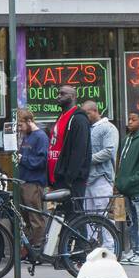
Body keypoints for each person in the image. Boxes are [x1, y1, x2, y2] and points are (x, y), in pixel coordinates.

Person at [115, 110, 139, 265]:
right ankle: (136, 249)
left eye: (134, 120)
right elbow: (122, 163)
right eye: (129, 119)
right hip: (127, 188)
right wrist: (120, 181)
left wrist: (132, 180)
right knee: (132, 221)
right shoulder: (126, 139)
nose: (130, 122)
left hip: (138, 188)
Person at [50, 85, 92, 214]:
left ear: (73, 97)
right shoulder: (61, 117)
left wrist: (69, 178)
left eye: (62, 94)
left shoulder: (78, 119)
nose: (58, 96)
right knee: (63, 219)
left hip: (71, 181)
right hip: (59, 179)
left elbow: (79, 151)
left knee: (75, 218)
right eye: (58, 93)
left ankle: (82, 235)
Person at [16, 108, 49, 246]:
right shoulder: (27, 136)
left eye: (21, 125)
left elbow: (41, 161)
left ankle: (37, 248)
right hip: (24, 180)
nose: (20, 129)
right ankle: (30, 247)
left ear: (29, 121)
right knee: (26, 217)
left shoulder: (40, 136)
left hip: (34, 182)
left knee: (35, 217)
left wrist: (22, 159)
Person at [83, 101, 118, 218]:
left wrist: (87, 159)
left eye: (87, 113)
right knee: (88, 217)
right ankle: (90, 238)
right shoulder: (87, 128)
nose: (86, 117)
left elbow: (109, 151)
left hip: (102, 178)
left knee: (104, 219)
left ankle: (110, 237)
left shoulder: (108, 128)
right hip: (87, 179)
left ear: (95, 111)